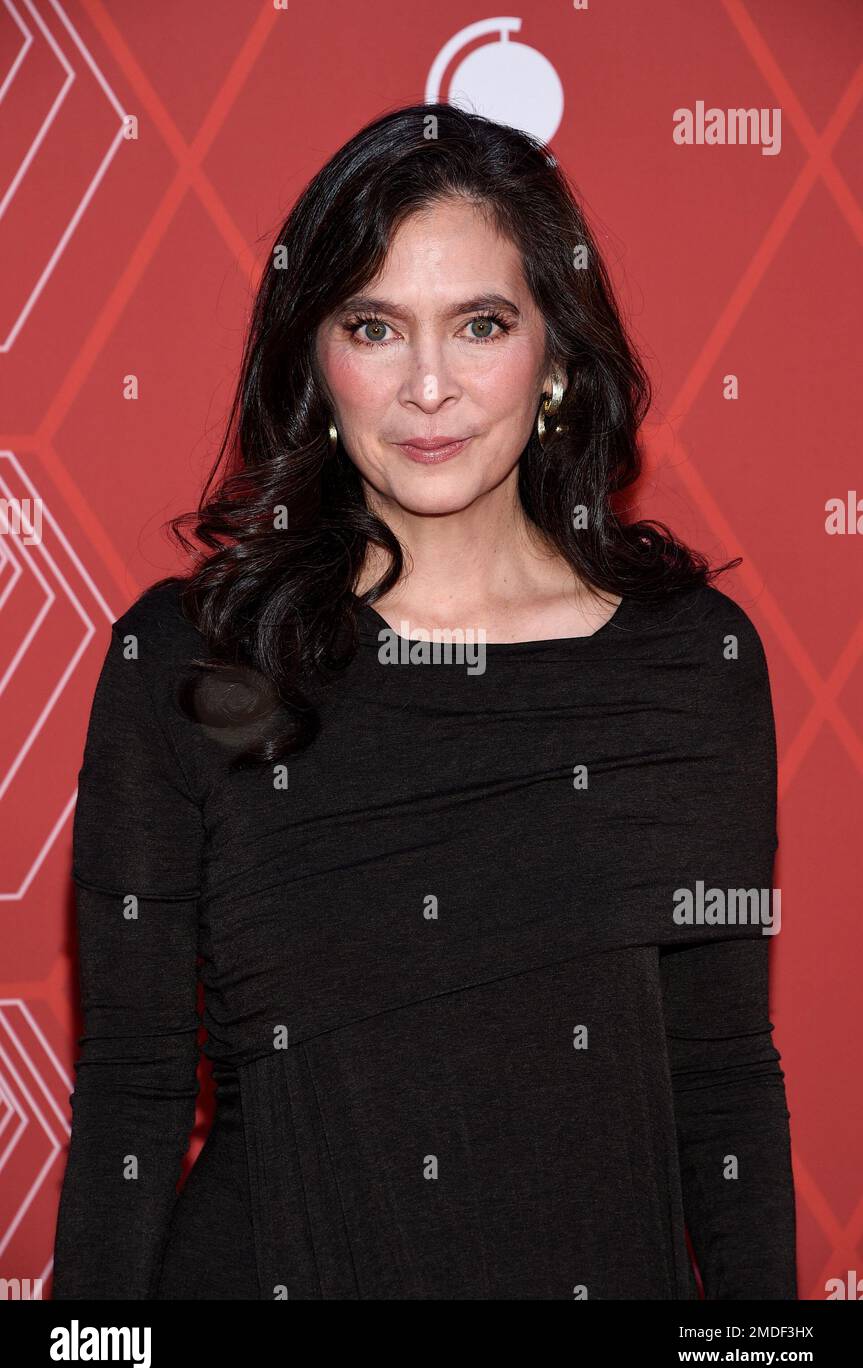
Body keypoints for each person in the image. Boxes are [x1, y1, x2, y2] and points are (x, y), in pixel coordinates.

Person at [52, 102, 796, 1300]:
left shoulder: (688, 664)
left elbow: (718, 1076)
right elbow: (133, 1087)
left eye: (481, 324)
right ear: (315, 356)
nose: (430, 386)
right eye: (376, 326)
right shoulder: (195, 660)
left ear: (555, 356)